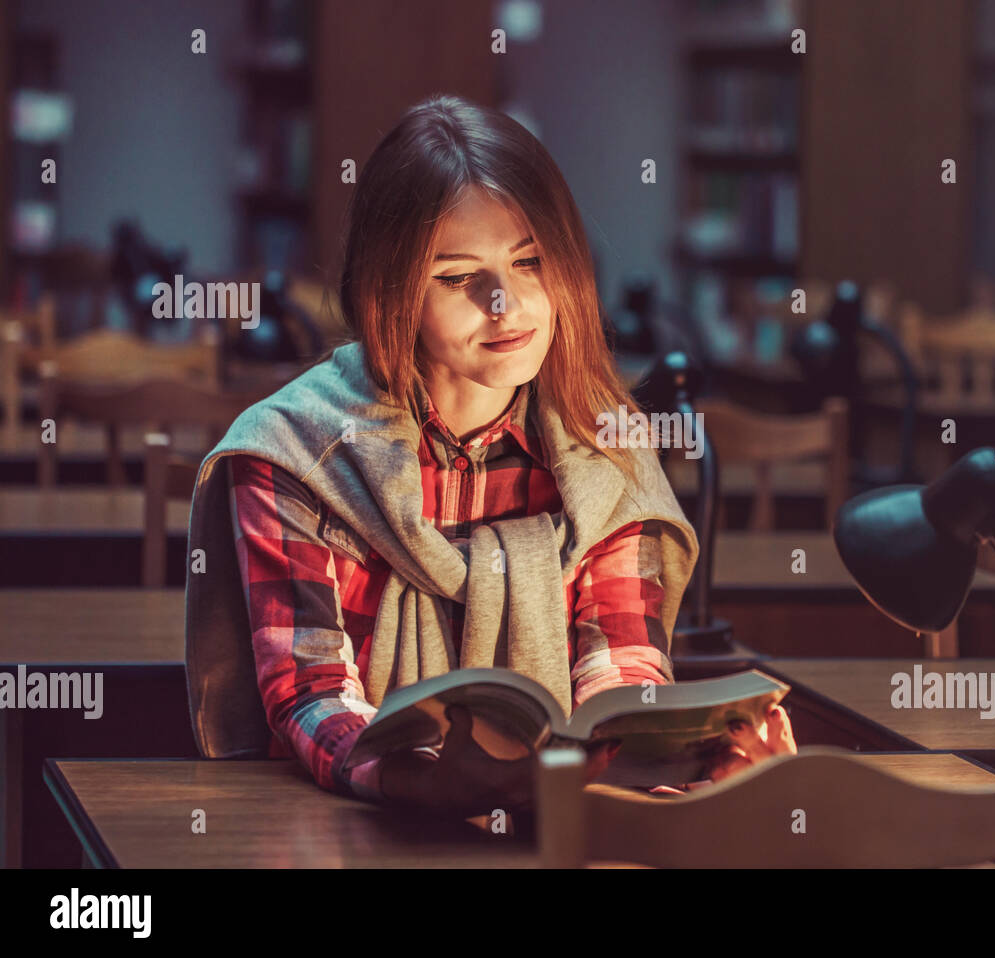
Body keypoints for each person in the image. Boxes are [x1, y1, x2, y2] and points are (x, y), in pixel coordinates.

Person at [184, 94, 795, 817]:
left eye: (530, 261)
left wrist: (668, 765)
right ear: (390, 292)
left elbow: (619, 675)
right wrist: (421, 780)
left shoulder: (607, 451)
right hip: (346, 833)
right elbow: (312, 698)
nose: (505, 304)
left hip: (545, 828)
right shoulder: (293, 452)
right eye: (455, 277)